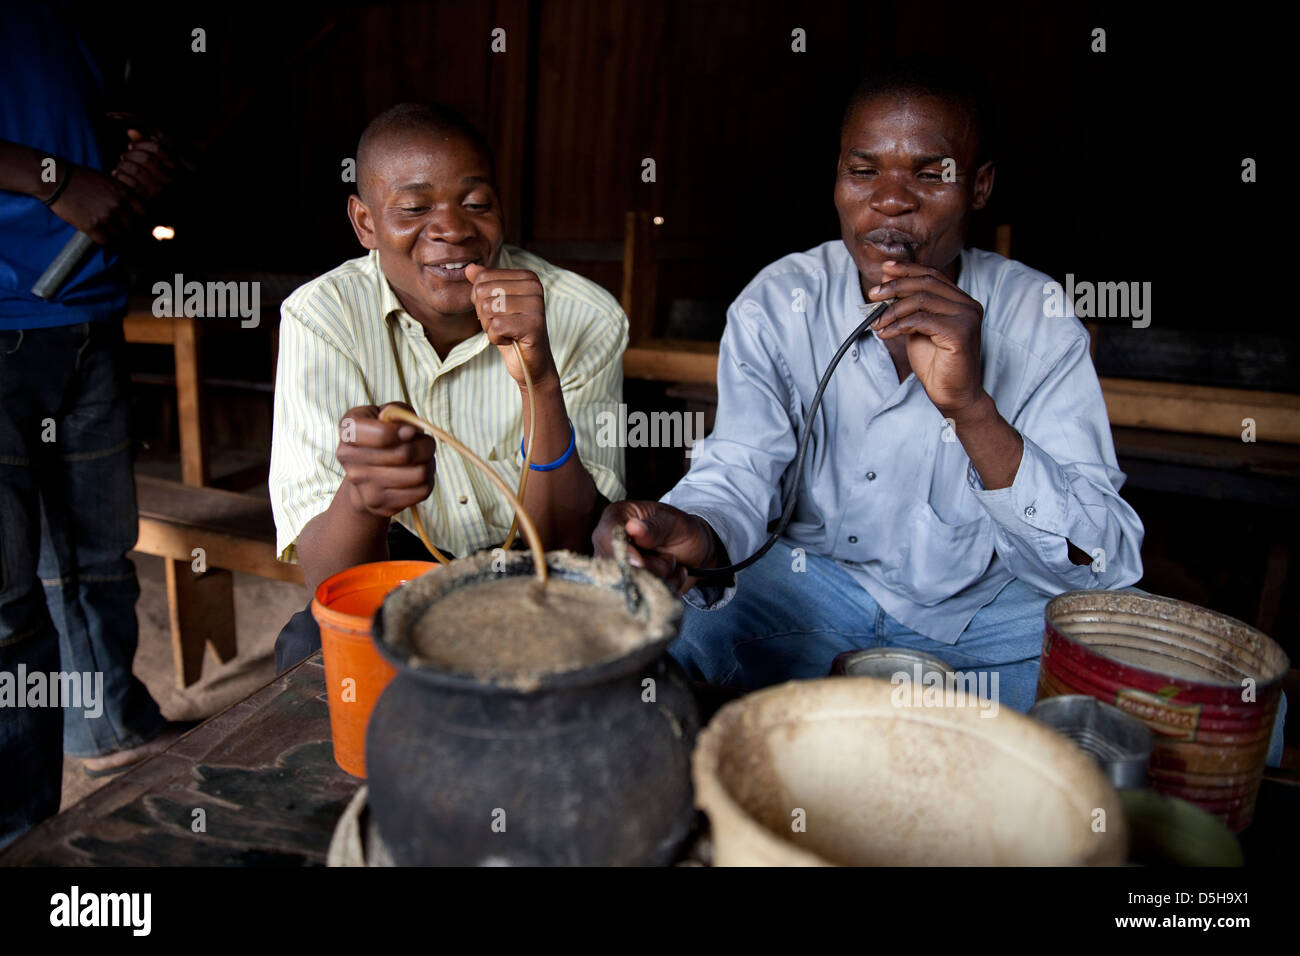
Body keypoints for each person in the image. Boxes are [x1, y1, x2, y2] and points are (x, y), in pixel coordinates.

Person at [593, 66, 1146, 715]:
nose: (891, 199)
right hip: (808, 593)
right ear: (836, 180)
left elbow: (1100, 561)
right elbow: (739, 468)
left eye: (930, 173)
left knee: (1182, 700)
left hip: (987, 620)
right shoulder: (779, 301)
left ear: (979, 186)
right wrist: (696, 533)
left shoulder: (1036, 316)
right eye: (864, 172)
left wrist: (971, 410)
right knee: (626, 643)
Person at [269, 104, 627, 669]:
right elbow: (332, 580)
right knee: (310, 647)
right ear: (365, 224)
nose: (454, 230)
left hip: (532, 570)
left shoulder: (584, 314)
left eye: (477, 204)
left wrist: (539, 380)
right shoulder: (323, 317)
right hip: (396, 568)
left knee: (599, 648)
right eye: (414, 208)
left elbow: (562, 548)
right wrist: (363, 500)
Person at [0, 3, 186, 847]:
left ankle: (107, 724)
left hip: (84, 306)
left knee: (95, 550)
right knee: (5, 601)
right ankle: (18, 830)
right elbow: (52, 162)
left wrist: (123, 157)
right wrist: (55, 179)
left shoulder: (73, 12)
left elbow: (84, 119)